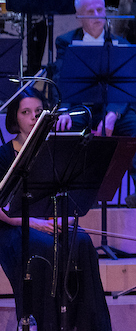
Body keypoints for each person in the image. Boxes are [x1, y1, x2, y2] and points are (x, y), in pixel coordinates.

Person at [0, 89, 113, 331]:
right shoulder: (3, 154)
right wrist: (33, 223)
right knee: (43, 250)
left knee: (81, 242)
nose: (33, 117)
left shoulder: (53, 149)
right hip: (14, 228)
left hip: (50, 221)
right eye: (25, 112)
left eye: (38, 112)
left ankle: (86, 325)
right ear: (14, 118)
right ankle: (47, 324)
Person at [52, 0, 136, 135]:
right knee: (63, 127)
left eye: (100, 10)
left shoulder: (122, 44)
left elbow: (125, 84)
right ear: (79, 16)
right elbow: (60, 77)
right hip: (79, 107)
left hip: (111, 108)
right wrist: (63, 110)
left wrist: (113, 114)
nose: (97, 16)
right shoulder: (65, 41)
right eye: (90, 12)